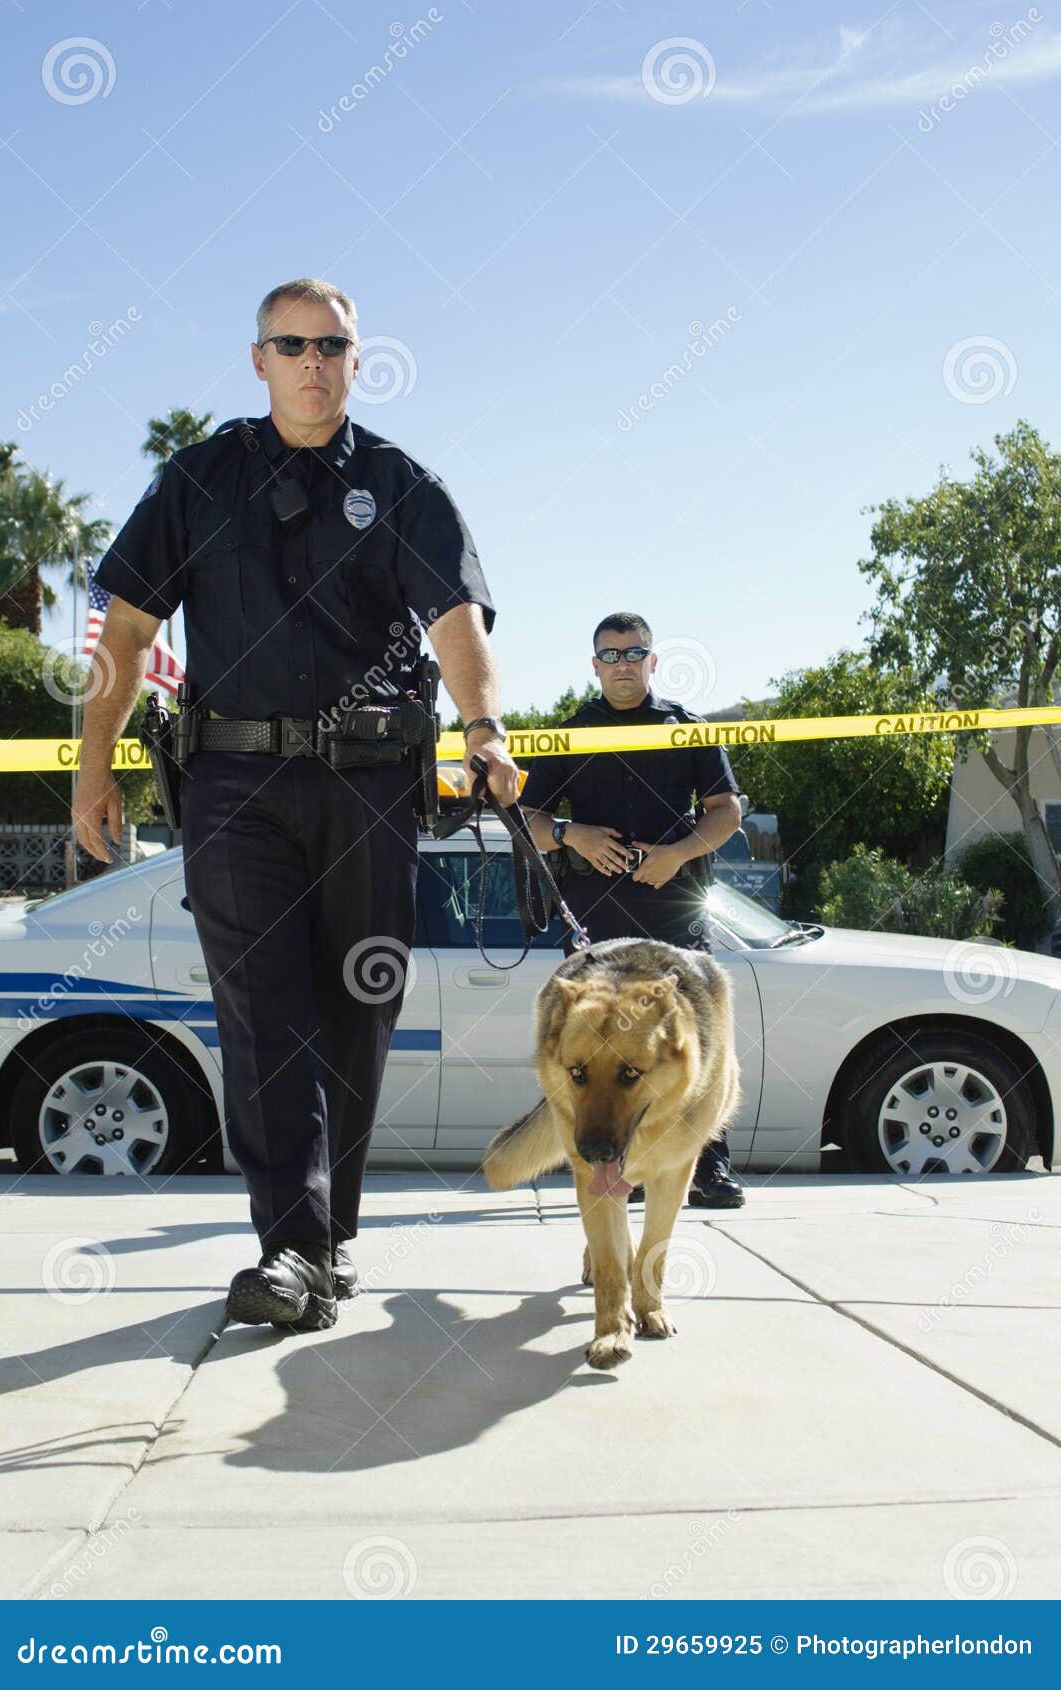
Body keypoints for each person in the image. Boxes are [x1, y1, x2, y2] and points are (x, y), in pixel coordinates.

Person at [73, 276, 519, 1330]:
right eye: (292, 344)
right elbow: (127, 630)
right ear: (259, 358)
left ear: (358, 361)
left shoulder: (401, 484)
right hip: (233, 785)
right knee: (264, 1016)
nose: (313, 361)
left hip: (368, 784)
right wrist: (95, 768)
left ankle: (333, 1232)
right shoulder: (199, 478)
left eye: (333, 345)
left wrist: (485, 728)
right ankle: (293, 1248)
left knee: (358, 1007)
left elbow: (456, 620)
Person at [519, 611, 747, 1208]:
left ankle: (706, 1168)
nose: (622, 665)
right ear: (594, 665)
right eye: (610, 655)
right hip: (596, 921)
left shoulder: (687, 729)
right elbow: (529, 823)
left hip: (675, 908)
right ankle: (611, 1173)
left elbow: (727, 812)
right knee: (599, 1053)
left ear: (652, 660)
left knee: (694, 1040)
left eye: (633, 653)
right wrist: (574, 835)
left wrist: (677, 853)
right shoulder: (567, 733)